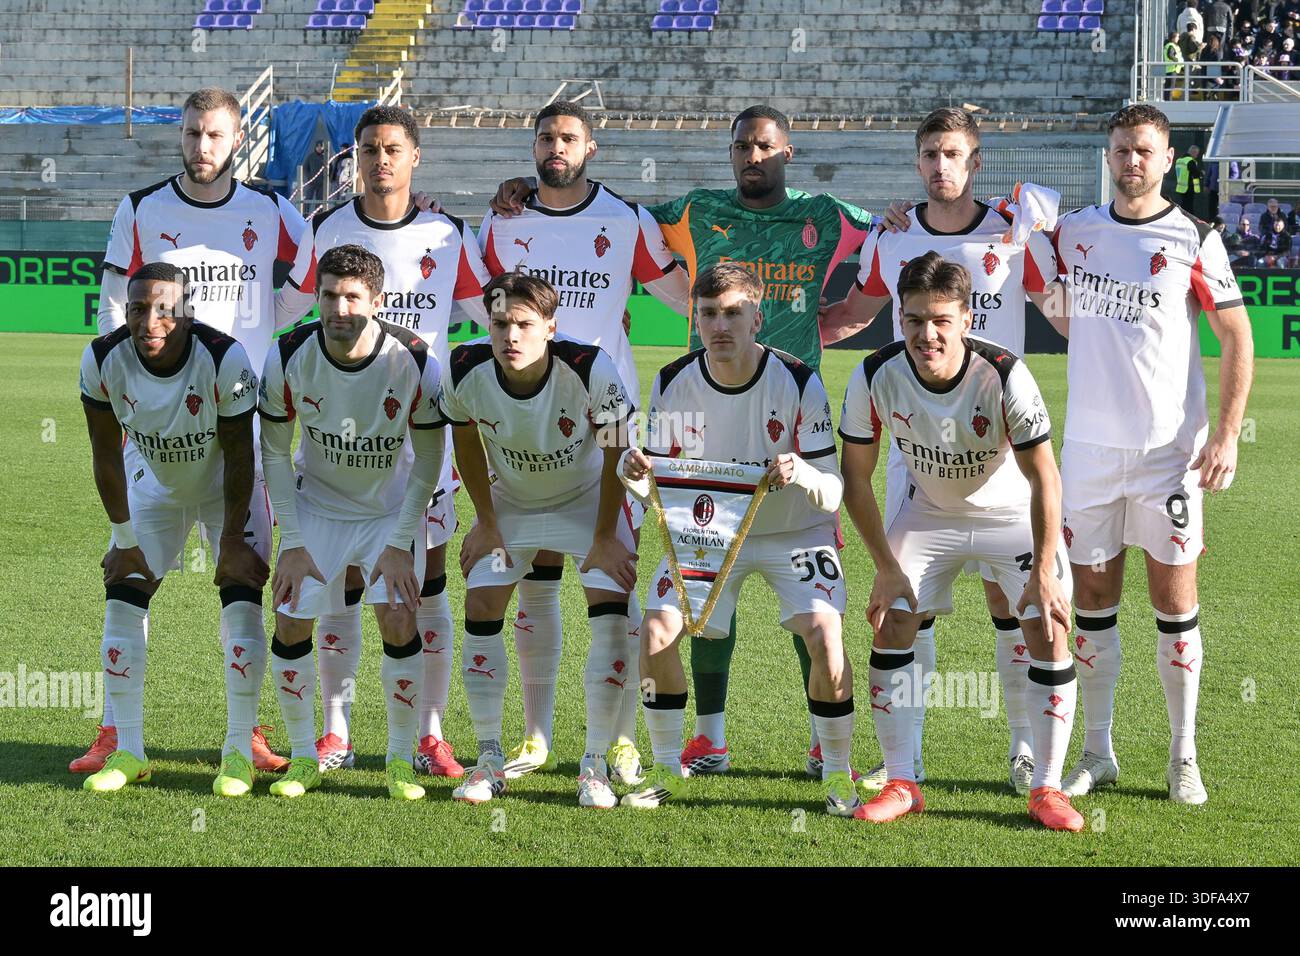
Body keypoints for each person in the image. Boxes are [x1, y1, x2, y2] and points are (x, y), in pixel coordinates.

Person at [488, 105, 875, 780]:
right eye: (742, 146)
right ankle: (704, 738)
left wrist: (827, 328)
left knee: (812, 612)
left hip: (789, 413)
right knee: (697, 590)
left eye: (765, 146)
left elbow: (885, 252)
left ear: (787, 151)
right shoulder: (691, 211)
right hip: (704, 416)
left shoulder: (832, 215)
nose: (753, 156)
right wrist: (523, 188)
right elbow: (598, 205)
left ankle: (823, 745)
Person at [818, 107, 1065, 795]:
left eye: (953, 154)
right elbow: (856, 316)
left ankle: (1024, 751)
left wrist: (1048, 223)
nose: (940, 166)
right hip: (914, 451)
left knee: (1009, 602)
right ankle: (908, 763)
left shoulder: (1012, 230)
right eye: (929, 154)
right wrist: (786, 334)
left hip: (999, 448)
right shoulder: (891, 237)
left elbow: (1071, 304)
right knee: (906, 605)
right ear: (918, 161)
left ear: (975, 161)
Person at [75, 85, 306, 777]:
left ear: (238, 140)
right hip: (158, 424)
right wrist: (134, 392)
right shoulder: (141, 208)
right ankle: (117, 732)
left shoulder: (269, 209)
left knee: (243, 574)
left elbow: (321, 264)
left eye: (215, 136)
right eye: (192, 134)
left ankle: (248, 730)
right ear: (179, 136)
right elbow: (117, 306)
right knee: (129, 573)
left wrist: (266, 331)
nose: (202, 147)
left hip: (238, 425)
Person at [475, 100, 689, 786]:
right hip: (527, 426)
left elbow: (682, 293)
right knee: (534, 583)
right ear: (531, 147)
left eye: (568, 138)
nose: (555, 147)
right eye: (544, 137)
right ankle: (535, 739)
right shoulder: (503, 220)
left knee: (610, 583)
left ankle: (618, 742)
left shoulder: (624, 219)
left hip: (609, 433)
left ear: (590, 147)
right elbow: (476, 302)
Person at [276, 105, 492, 779]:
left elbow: (490, 320)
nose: (380, 159)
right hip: (338, 439)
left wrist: (461, 384)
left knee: (422, 593)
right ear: (355, 158)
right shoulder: (326, 228)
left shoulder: (448, 233)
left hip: (418, 434)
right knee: (336, 587)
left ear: (415, 155)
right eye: (368, 148)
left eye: (393, 147)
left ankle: (428, 735)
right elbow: (286, 314)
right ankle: (333, 734)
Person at [1053, 104, 1254, 806]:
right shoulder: (1074, 231)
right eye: (1121, 149)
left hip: (1169, 458)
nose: (1131, 161)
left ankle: (1182, 756)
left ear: (1168, 159)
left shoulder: (1195, 237)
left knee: (1175, 604)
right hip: (1087, 455)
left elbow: (1237, 337)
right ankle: (1097, 752)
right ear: (1107, 156)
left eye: (1144, 150)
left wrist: (1227, 434)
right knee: (1095, 605)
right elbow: (1029, 277)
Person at [839, 251, 1079, 830]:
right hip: (929, 514)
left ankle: (1047, 789)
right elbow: (856, 480)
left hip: (1009, 516)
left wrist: (1043, 570)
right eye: (916, 319)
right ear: (900, 318)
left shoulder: (1003, 373)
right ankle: (902, 781)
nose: (928, 334)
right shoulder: (875, 374)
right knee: (893, 617)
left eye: (942, 320)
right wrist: (886, 565)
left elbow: (1044, 478)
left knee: (1046, 625)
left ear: (967, 319)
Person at [618, 263, 856, 816]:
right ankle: (664, 768)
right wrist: (634, 469)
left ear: (757, 316)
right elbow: (649, 484)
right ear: (695, 319)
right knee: (654, 631)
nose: (719, 326)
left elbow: (835, 490)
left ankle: (839, 774)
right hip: (708, 531)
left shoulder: (799, 380)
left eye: (732, 313)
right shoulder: (673, 381)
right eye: (707, 314)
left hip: (794, 529)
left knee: (824, 634)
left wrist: (802, 471)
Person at [438, 272, 639, 809]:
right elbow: (467, 443)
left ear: (550, 327)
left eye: (525, 324)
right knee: (481, 599)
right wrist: (485, 520)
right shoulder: (463, 367)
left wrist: (603, 536)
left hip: (588, 498)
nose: (511, 336)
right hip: (514, 504)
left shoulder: (591, 368)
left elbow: (619, 451)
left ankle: (593, 763)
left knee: (612, 605)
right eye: (500, 323)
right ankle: (488, 760)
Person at [258, 244, 447, 801]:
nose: (340, 309)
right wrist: (290, 543)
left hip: (388, 512)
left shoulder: (414, 359)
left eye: (353, 298)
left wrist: (399, 540)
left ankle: (397, 761)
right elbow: (273, 453)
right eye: (329, 296)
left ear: (378, 301)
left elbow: (429, 458)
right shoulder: (287, 352)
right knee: (291, 621)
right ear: (315, 296)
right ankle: (301, 759)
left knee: (397, 617)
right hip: (315, 507)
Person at [79, 263, 271, 796]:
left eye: (164, 308)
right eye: (139, 308)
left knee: (240, 600)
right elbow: (105, 455)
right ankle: (129, 751)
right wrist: (122, 537)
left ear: (186, 311)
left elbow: (237, 453)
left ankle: (237, 751)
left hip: (225, 487)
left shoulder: (224, 356)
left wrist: (232, 541)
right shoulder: (101, 359)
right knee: (122, 598)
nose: (150, 321)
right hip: (152, 484)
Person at [1174, 144, 1203, 214]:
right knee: (1189, 208)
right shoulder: (1190, 161)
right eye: (1197, 154)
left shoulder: (1179, 160)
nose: (1196, 156)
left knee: (1184, 206)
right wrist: (1201, 174)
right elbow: (1195, 173)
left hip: (1181, 187)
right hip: (1188, 187)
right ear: (1194, 152)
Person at [1164, 31, 1186, 99]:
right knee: (1170, 86)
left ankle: (1168, 99)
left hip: (1172, 69)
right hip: (1172, 68)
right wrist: (1178, 61)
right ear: (1173, 38)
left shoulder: (1171, 45)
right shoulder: (1171, 45)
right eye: (1177, 37)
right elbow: (1170, 55)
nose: (1178, 38)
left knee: (1170, 86)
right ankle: (1168, 100)